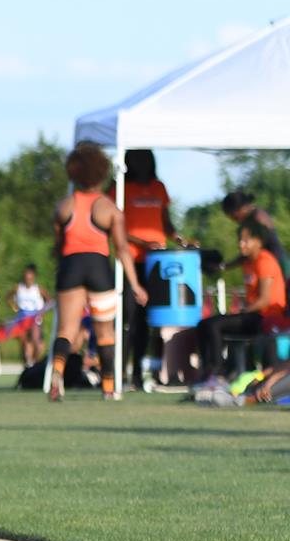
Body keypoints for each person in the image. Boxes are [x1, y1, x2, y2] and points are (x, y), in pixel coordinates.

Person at [50, 142, 147, 401]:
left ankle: (56, 372)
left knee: (66, 331)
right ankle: (108, 386)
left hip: (70, 267)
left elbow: (58, 247)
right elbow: (123, 249)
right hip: (98, 268)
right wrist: (136, 285)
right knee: (105, 332)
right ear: (102, 172)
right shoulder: (109, 208)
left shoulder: (64, 206)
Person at [195, 219, 287, 387]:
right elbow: (232, 263)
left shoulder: (264, 261)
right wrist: (218, 266)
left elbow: (264, 300)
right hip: (253, 314)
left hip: (266, 316)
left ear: (258, 241)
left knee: (213, 325)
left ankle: (217, 374)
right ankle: (207, 371)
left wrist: (240, 311)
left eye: (245, 240)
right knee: (203, 324)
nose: (241, 244)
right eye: (239, 240)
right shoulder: (248, 261)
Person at [121, 150, 179, 392]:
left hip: (157, 263)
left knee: (149, 321)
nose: (141, 163)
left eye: (145, 158)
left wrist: (175, 236)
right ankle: (120, 373)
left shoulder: (159, 187)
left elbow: (165, 220)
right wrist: (143, 244)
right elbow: (117, 228)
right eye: (136, 158)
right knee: (129, 319)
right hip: (131, 261)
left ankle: (142, 374)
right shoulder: (121, 188)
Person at [221, 191, 289, 278]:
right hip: (270, 265)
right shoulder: (253, 217)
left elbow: (249, 252)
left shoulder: (257, 218)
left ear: (240, 209)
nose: (235, 221)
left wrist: (225, 266)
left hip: (278, 265)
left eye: (235, 217)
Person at [12, 265, 49, 367]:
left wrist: (42, 312)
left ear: (34, 277)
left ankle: (35, 362)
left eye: (30, 277)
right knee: (24, 343)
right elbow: (9, 297)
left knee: (36, 342)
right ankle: (27, 363)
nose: (28, 279)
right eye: (26, 276)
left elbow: (48, 300)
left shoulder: (38, 289)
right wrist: (14, 307)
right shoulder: (18, 288)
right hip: (22, 318)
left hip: (34, 318)